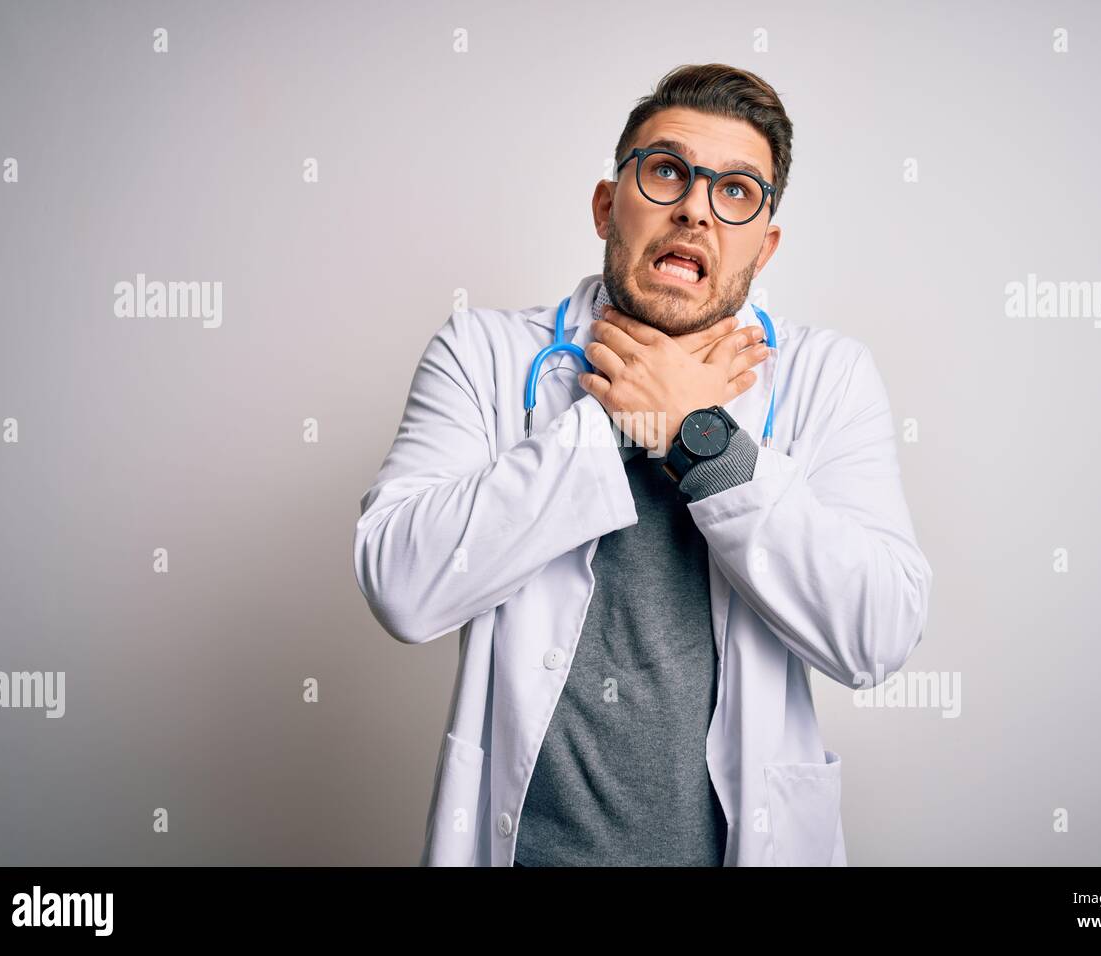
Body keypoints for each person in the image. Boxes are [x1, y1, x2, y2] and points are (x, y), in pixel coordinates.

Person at [353, 63, 933, 866]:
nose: (696, 206)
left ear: (762, 247)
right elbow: (401, 585)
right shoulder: (483, 352)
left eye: (735, 191)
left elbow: (874, 634)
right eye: (667, 172)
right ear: (606, 206)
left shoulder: (827, 376)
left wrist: (700, 433)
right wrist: (615, 421)